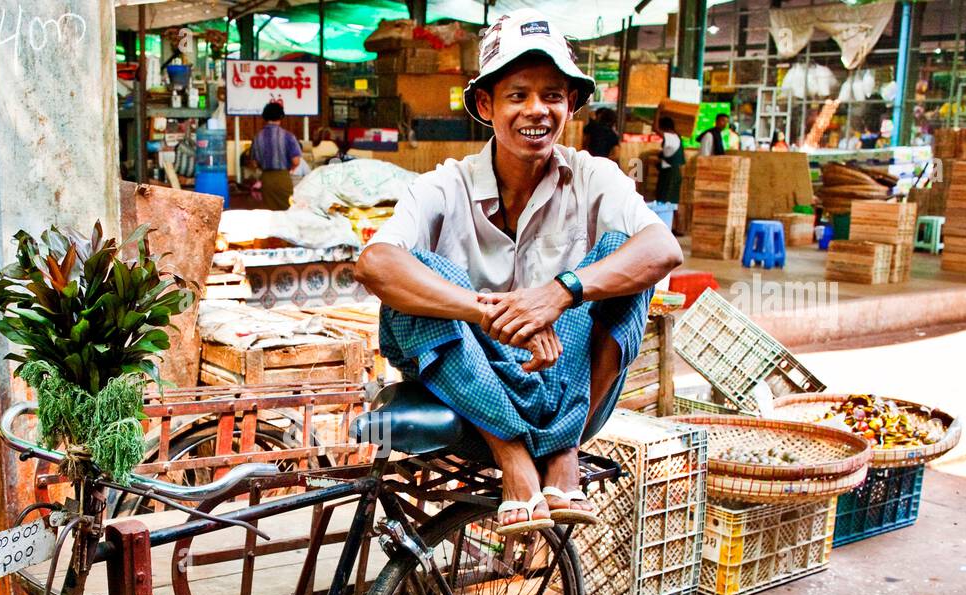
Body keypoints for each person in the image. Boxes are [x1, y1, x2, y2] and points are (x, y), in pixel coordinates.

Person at [355, 9, 683, 533]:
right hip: (468, 400)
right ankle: (514, 457)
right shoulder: (445, 186)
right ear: (485, 104)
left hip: (566, 392)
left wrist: (560, 294)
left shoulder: (594, 177)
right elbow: (375, 264)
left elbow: (663, 249)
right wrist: (484, 312)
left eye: (552, 95)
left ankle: (562, 450)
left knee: (626, 252)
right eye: (518, 95)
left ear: (571, 104)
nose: (537, 110)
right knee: (420, 270)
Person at [251, 101, 302, 210]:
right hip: (283, 178)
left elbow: (254, 163)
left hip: (266, 179)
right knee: (288, 211)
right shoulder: (288, 136)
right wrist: (291, 169)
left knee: (270, 214)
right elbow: (296, 161)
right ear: (281, 116)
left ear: (265, 117)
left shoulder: (258, 137)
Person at [655, 115, 684, 205]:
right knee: (670, 201)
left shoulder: (669, 137)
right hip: (674, 172)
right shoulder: (676, 136)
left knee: (664, 200)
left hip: (669, 174)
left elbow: (655, 128)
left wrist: (658, 111)